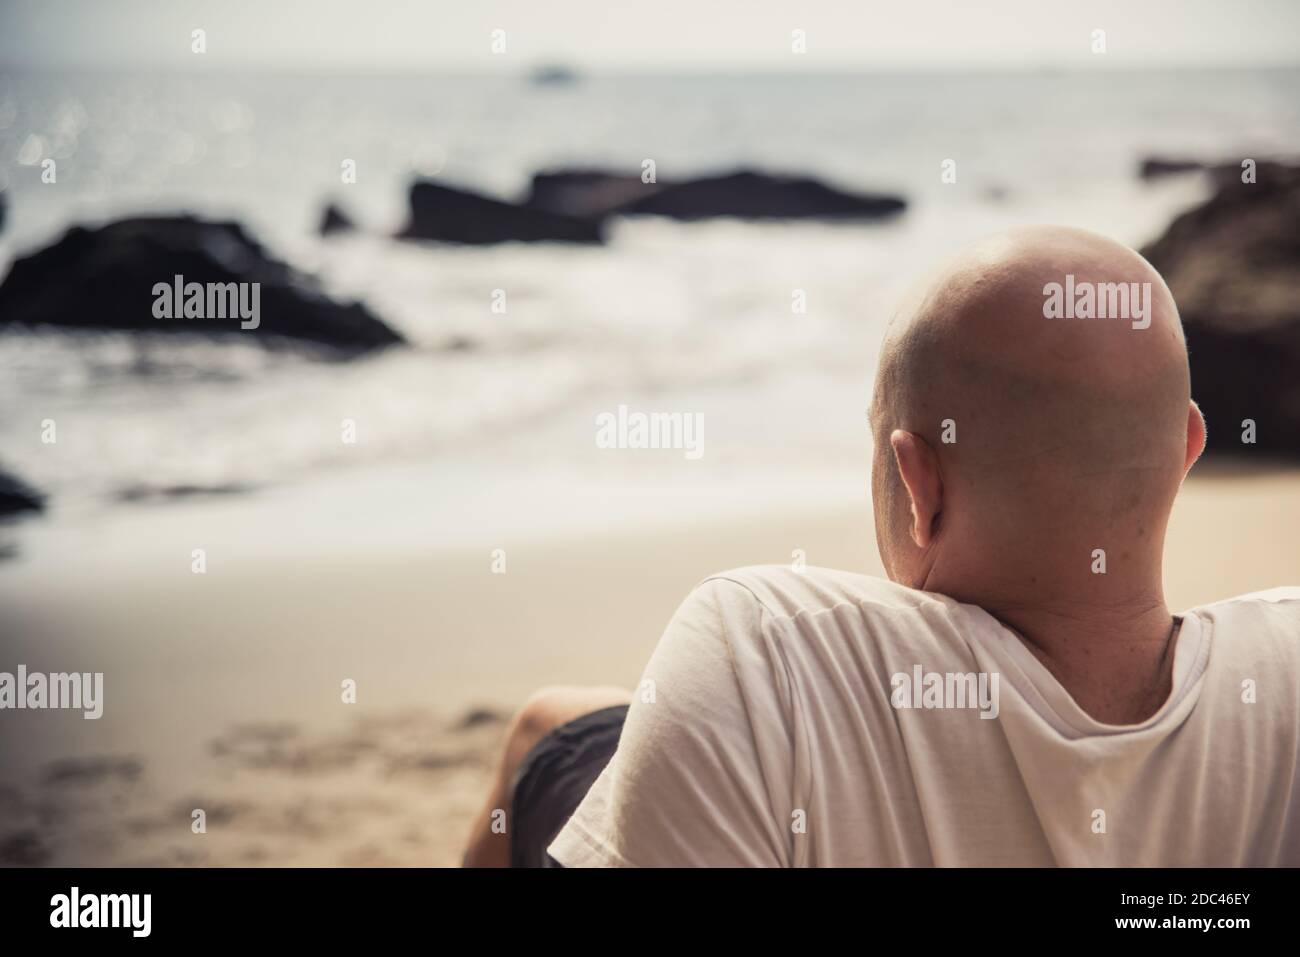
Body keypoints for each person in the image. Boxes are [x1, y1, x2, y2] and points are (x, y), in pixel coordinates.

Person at [463, 225, 1300, 867]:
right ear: (1186, 449)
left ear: (918, 483)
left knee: (539, 730)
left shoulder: (762, 650)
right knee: (562, 720)